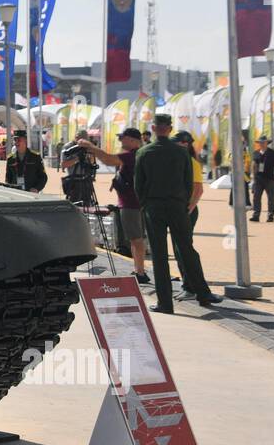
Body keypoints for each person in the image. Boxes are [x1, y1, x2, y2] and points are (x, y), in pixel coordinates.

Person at [134, 113, 221, 313]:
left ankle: (165, 302)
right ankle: (202, 293)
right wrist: (182, 203)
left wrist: (145, 204)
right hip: (177, 206)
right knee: (186, 249)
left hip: (154, 206)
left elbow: (139, 185)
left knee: (159, 255)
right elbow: (188, 181)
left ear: (154, 128)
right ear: (170, 128)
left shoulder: (144, 152)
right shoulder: (181, 153)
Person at [74, 128, 149, 285]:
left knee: (136, 239)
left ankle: (140, 271)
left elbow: (108, 159)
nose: (121, 141)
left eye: (123, 138)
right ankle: (138, 269)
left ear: (133, 140)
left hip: (131, 204)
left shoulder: (131, 155)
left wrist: (91, 147)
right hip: (132, 202)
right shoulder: (136, 154)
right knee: (135, 239)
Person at [171, 130, 205, 301]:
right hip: (177, 210)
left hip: (186, 211)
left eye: (186, 143)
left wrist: (188, 209)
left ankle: (190, 286)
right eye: (180, 143)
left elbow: (198, 189)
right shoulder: (173, 161)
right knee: (178, 249)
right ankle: (188, 284)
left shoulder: (192, 163)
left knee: (184, 249)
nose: (184, 146)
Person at [250, 135, 274, 222]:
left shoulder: (273, 153)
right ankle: (256, 215)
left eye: (263, 142)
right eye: (260, 142)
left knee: (271, 197)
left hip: (269, 178)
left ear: (267, 143)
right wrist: (252, 175)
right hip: (258, 179)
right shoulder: (256, 153)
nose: (262, 144)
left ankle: (270, 215)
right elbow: (254, 165)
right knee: (256, 197)